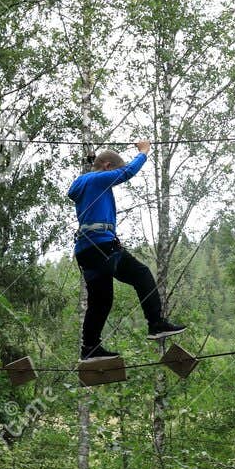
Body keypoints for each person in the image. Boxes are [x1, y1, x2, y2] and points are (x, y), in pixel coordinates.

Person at [68, 139, 185, 360]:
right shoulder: (98, 179)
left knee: (101, 301)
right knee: (141, 274)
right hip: (102, 246)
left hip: (86, 250)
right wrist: (143, 152)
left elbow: (100, 175)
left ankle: (90, 348)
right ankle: (156, 323)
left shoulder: (86, 184)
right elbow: (128, 172)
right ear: (108, 167)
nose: (114, 179)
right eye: (114, 172)